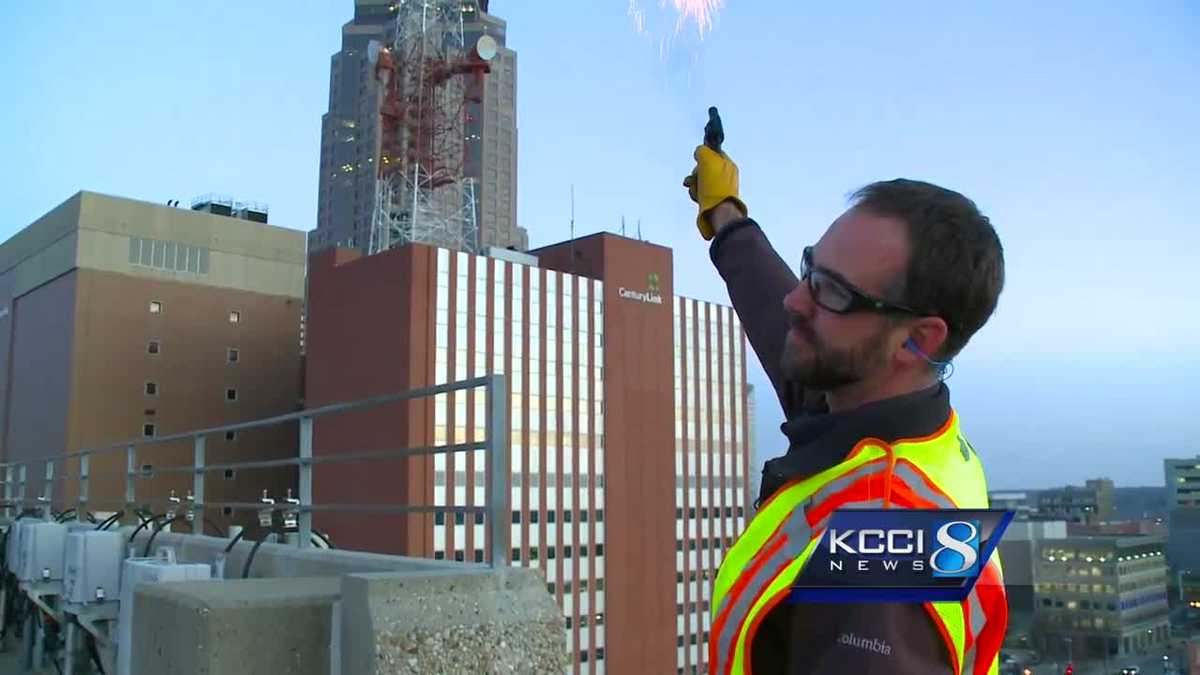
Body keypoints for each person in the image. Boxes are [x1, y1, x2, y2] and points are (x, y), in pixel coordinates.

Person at [685, 142, 1008, 674]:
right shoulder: (903, 419)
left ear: (917, 340)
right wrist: (727, 218)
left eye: (831, 292)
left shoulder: (879, 554)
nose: (796, 300)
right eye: (812, 268)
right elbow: (784, 327)